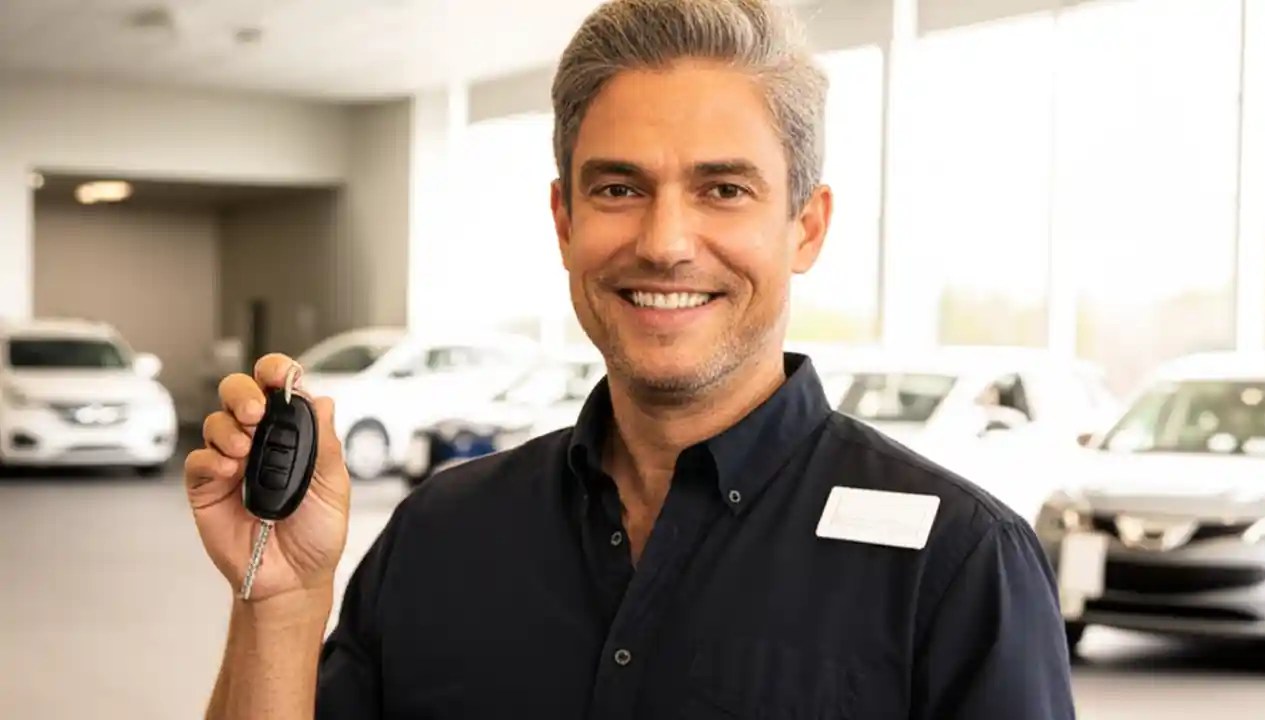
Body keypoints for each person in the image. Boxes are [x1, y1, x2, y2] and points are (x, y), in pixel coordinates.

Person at [185, 0, 1076, 717]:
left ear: (806, 226)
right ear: (564, 221)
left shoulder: (960, 565)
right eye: (618, 189)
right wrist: (282, 599)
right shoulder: (440, 534)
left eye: (722, 190)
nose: (665, 242)